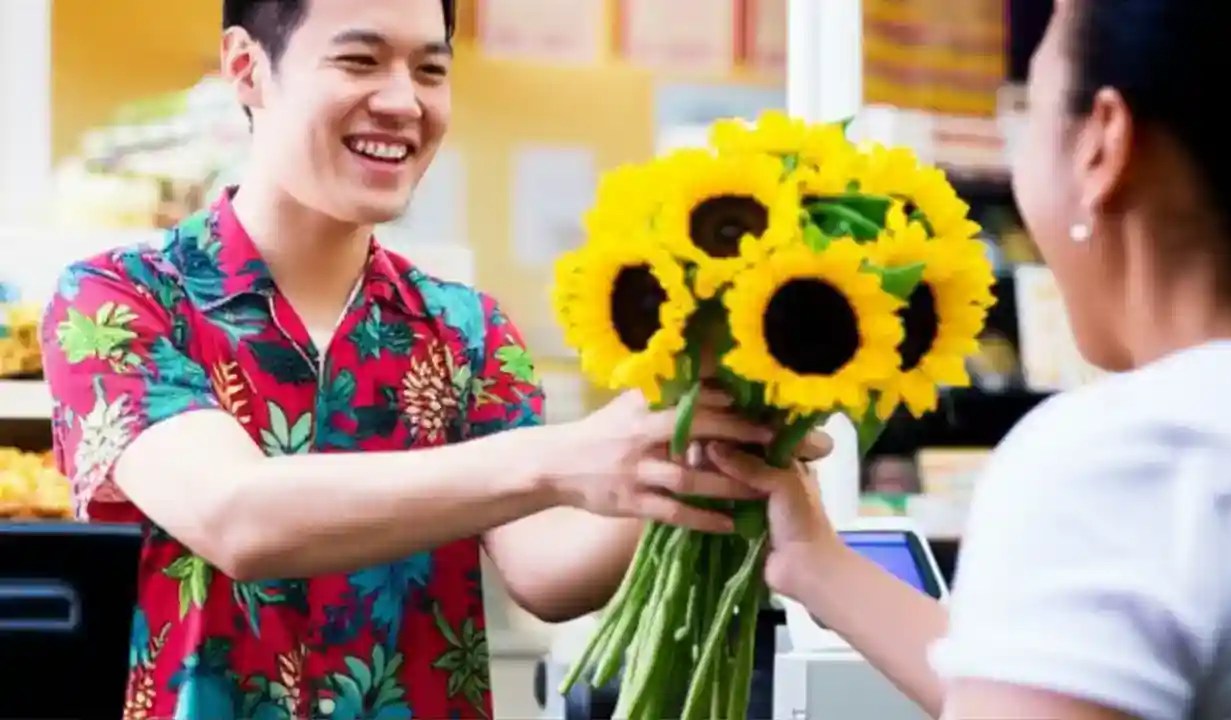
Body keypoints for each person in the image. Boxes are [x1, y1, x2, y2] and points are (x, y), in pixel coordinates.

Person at [37, 1, 828, 717]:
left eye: (430, 69)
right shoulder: (118, 301)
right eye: (359, 60)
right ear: (247, 68)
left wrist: (687, 457)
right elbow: (237, 516)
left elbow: (547, 571)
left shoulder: (467, 330)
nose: (403, 101)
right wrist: (559, 456)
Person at [714, 0, 1231, 718]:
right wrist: (813, 564)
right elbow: (1061, 680)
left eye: (1032, 113)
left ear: (1102, 144)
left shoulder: (1134, 457)